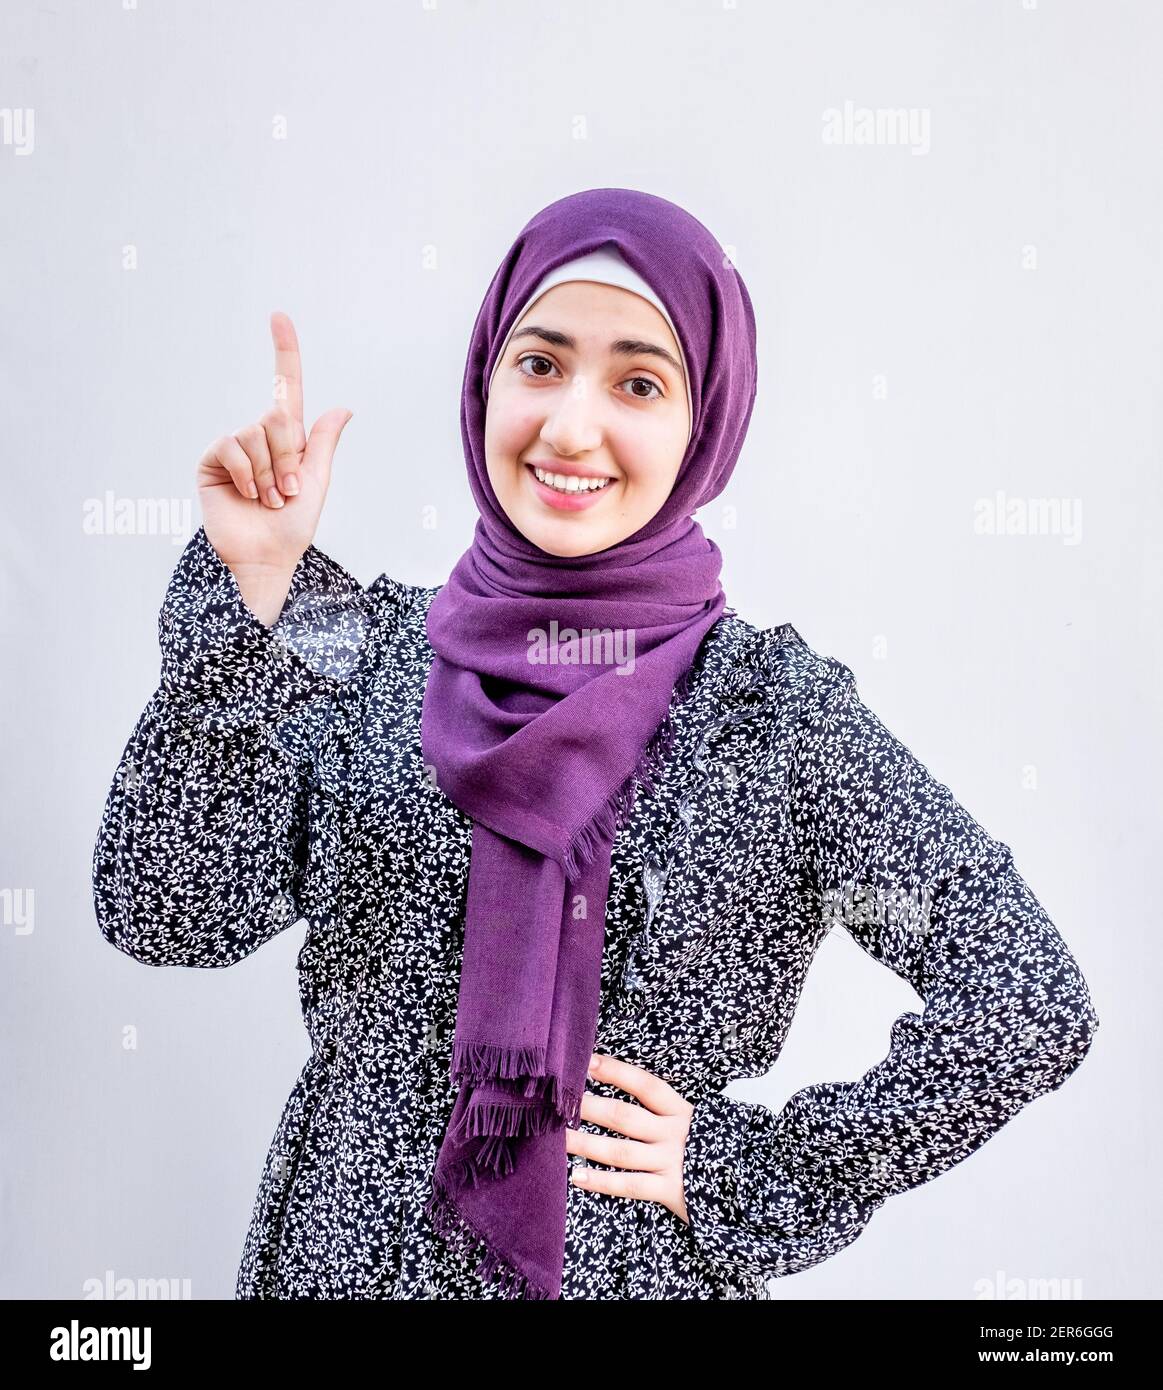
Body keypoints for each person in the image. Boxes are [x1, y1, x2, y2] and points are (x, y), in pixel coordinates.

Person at [91, 187, 1100, 1301]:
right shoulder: (360, 643)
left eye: (638, 383)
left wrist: (754, 1169)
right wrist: (254, 593)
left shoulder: (771, 713)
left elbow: (1026, 1001)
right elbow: (166, 913)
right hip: (340, 1265)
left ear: (705, 420)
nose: (570, 429)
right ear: (485, 378)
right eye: (539, 363)